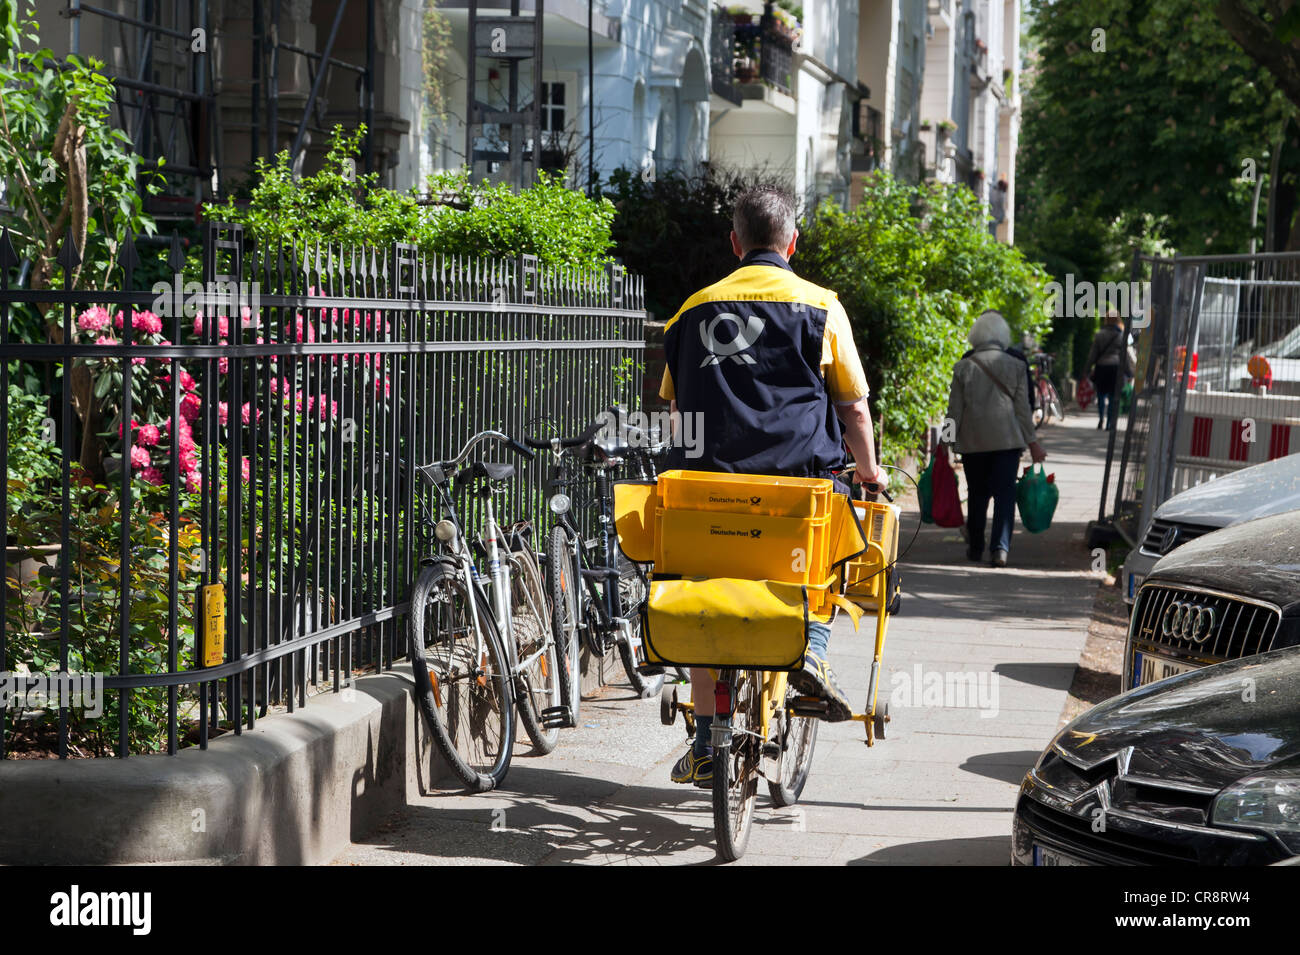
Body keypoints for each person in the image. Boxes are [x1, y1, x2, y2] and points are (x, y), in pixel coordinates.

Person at [658, 184, 886, 786]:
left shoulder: (689, 312)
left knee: (703, 594)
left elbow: (677, 410)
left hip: (706, 494)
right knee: (832, 556)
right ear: (793, 241)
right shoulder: (820, 307)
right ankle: (810, 648)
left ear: (734, 242)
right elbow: (854, 407)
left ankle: (708, 739)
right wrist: (869, 473)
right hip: (798, 493)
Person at [945, 310, 1047, 568]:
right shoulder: (1016, 365)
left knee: (977, 494)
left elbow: (954, 411)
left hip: (972, 443)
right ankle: (1000, 548)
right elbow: (1023, 410)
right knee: (1005, 495)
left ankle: (976, 547)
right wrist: (1033, 443)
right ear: (1003, 335)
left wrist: (946, 442)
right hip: (1007, 443)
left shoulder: (963, 366)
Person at [1085, 309, 1126, 430]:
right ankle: (1109, 422)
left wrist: (1087, 369)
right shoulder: (1121, 335)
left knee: (1101, 395)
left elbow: (1093, 354)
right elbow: (1125, 356)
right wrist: (1129, 371)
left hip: (1101, 367)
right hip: (1115, 368)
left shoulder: (1099, 334)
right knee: (1113, 397)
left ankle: (1101, 418)